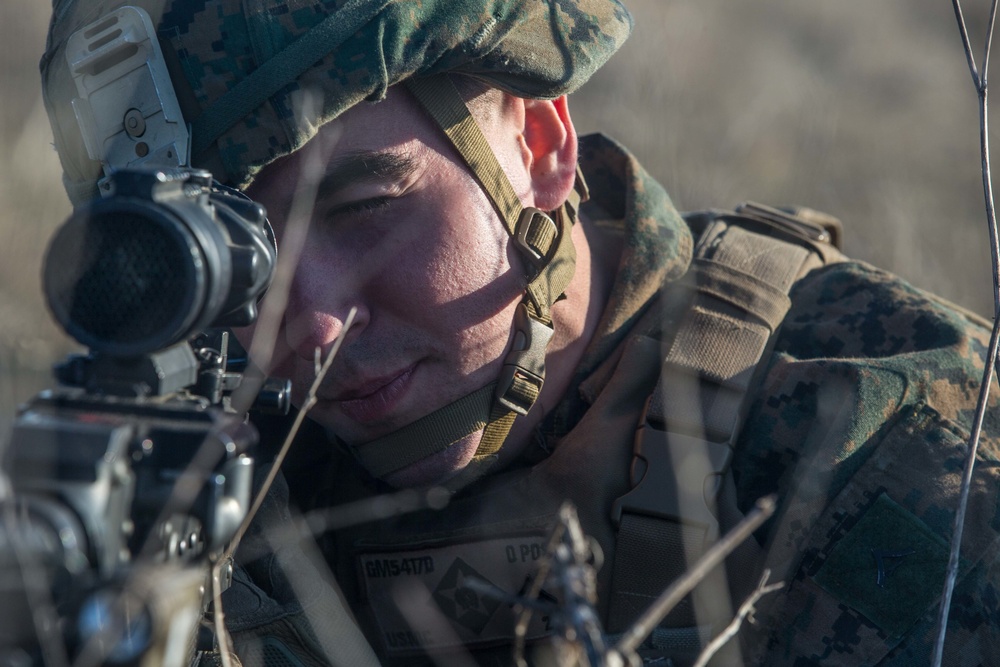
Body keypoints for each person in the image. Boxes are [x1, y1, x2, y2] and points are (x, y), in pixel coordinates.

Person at [39, 1, 1000, 665]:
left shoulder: (901, 454)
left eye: (364, 204)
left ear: (539, 146)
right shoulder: (174, 504)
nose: (312, 319)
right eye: (236, 252)